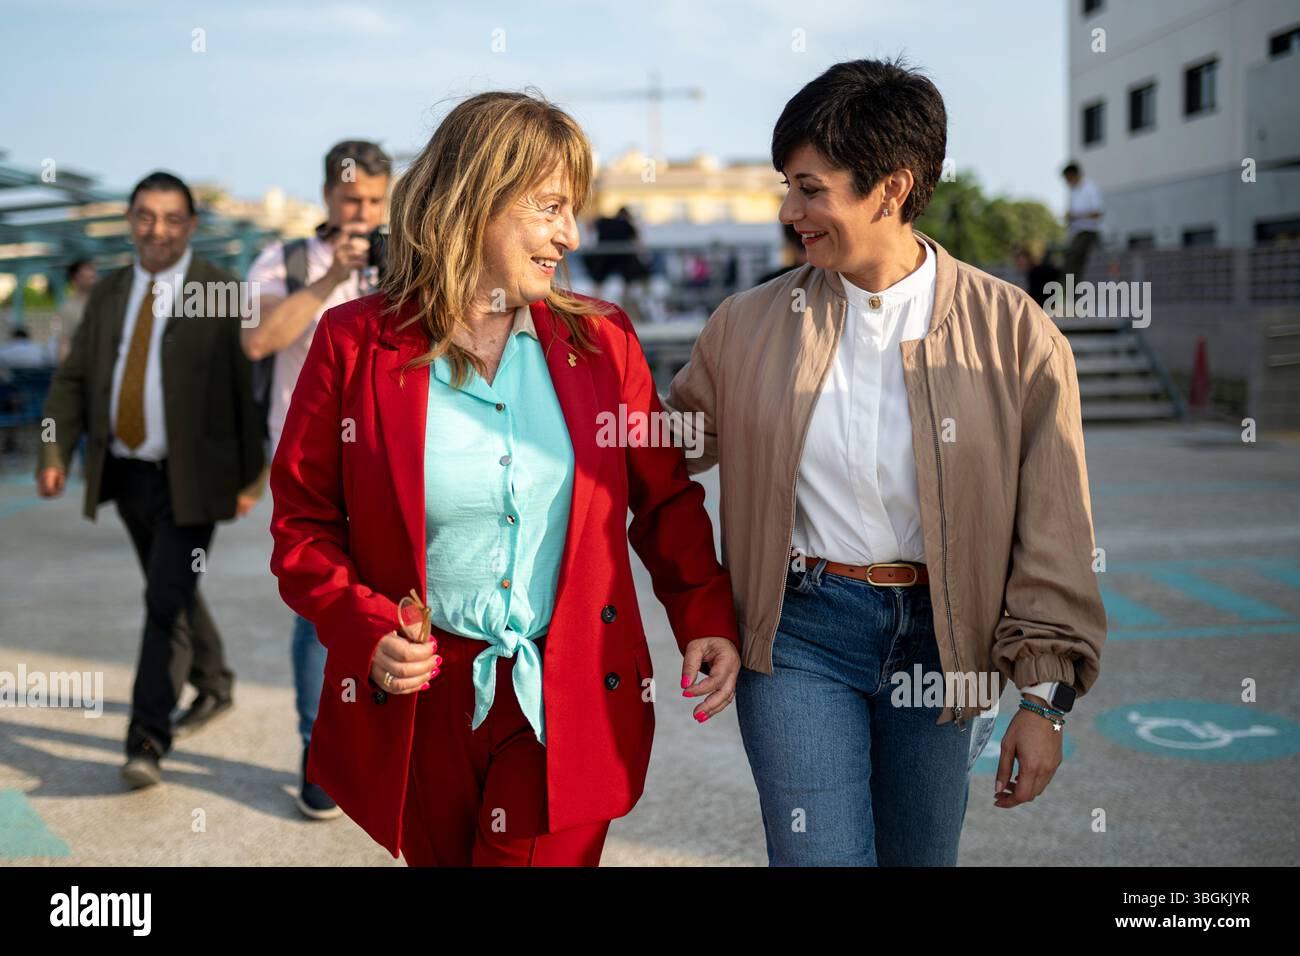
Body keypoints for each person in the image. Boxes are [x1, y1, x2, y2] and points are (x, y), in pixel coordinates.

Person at [268, 91, 741, 866]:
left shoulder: (604, 341)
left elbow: (664, 500)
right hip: (421, 701)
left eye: (573, 209)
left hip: (569, 689)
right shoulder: (352, 343)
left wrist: (704, 614)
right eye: (550, 207)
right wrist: (364, 629)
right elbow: (303, 528)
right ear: (473, 201)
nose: (571, 234)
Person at [665, 58, 1108, 866]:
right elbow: (664, 451)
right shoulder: (747, 324)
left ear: (892, 188)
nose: (789, 210)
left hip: (945, 646)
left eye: (810, 188)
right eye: (786, 185)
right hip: (799, 635)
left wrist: (1045, 702)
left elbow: (1055, 527)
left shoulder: (1015, 334)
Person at [36, 171, 265, 787]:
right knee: (174, 589)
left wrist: (253, 474)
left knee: (163, 601)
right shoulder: (109, 293)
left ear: (190, 226)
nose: (156, 229)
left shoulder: (220, 291)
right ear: (131, 220)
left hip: (194, 479)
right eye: (145, 215)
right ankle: (215, 683)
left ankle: (145, 740)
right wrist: (54, 453)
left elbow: (249, 391)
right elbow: (74, 379)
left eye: (170, 218)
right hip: (128, 474)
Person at [243, 139, 392, 821]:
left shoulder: (404, 254)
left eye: (373, 200)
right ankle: (314, 749)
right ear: (327, 199)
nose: (362, 213)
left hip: (389, 458)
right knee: (317, 609)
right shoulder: (286, 260)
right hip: (310, 463)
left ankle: (383, 734)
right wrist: (334, 281)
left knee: (392, 596)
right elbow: (259, 339)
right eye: (350, 200)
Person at [1061, 161, 1103, 281]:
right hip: (1076, 232)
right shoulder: (1073, 192)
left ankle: (1072, 292)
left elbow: (1098, 213)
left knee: (1073, 260)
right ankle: (1068, 291)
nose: (1066, 182)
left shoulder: (1090, 188)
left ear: (1073, 175)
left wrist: (1077, 216)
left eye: (1067, 178)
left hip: (1088, 232)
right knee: (1067, 259)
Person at [52, 258, 98, 363]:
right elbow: (63, 342)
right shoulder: (67, 308)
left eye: (93, 274)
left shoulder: (104, 304)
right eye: (86, 275)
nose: (92, 277)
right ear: (75, 278)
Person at [1014, 243, 1063, 312]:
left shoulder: (1038, 272)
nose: (1018, 261)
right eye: (1017, 257)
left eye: (1020, 257)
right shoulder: (1032, 273)